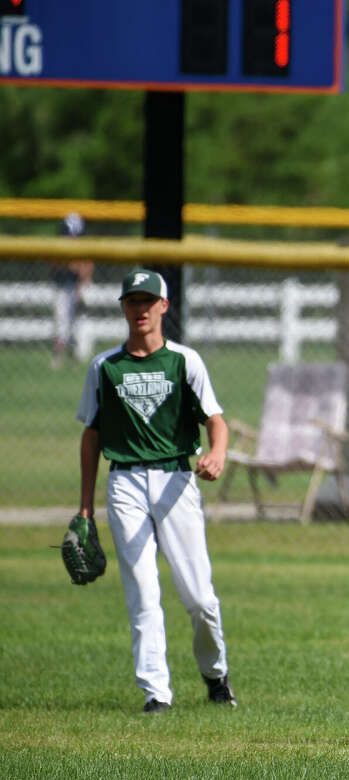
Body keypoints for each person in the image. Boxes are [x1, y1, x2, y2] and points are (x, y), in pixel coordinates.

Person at [75, 268, 237, 713]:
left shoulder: (185, 361)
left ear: (164, 306)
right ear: (123, 307)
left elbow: (215, 421)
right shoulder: (105, 367)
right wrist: (85, 508)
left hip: (176, 480)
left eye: (148, 301)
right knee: (143, 591)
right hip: (125, 480)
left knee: (199, 597)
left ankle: (215, 674)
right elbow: (91, 436)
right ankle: (156, 692)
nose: (140, 309)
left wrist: (217, 454)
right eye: (132, 301)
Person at [50, 212, 94, 368]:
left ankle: (75, 356)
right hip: (63, 287)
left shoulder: (83, 246)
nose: (71, 237)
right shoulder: (59, 246)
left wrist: (81, 288)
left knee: (78, 323)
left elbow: (87, 269)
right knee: (61, 322)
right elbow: (55, 265)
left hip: (78, 287)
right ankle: (58, 357)